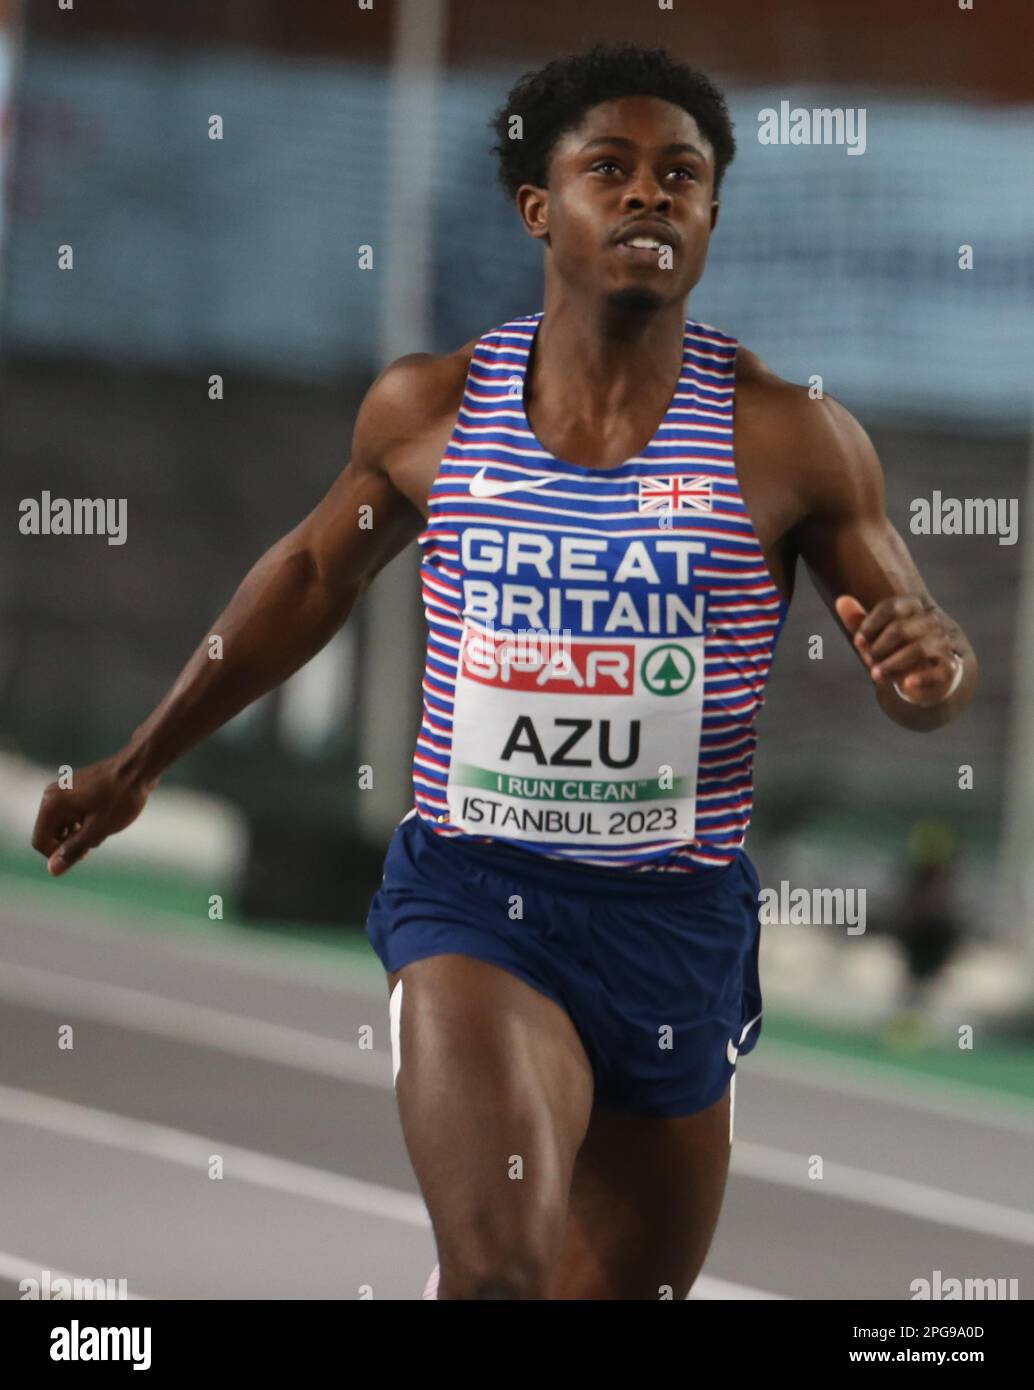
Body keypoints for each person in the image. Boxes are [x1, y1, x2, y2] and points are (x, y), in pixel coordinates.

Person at [31, 43, 977, 1300]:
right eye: (610, 170)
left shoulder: (787, 436)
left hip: (674, 925)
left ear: (709, 214)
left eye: (680, 177)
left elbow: (916, 665)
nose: (649, 196)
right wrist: (138, 761)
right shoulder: (430, 408)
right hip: (477, 894)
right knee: (497, 1272)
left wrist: (933, 672)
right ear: (541, 209)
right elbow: (314, 579)